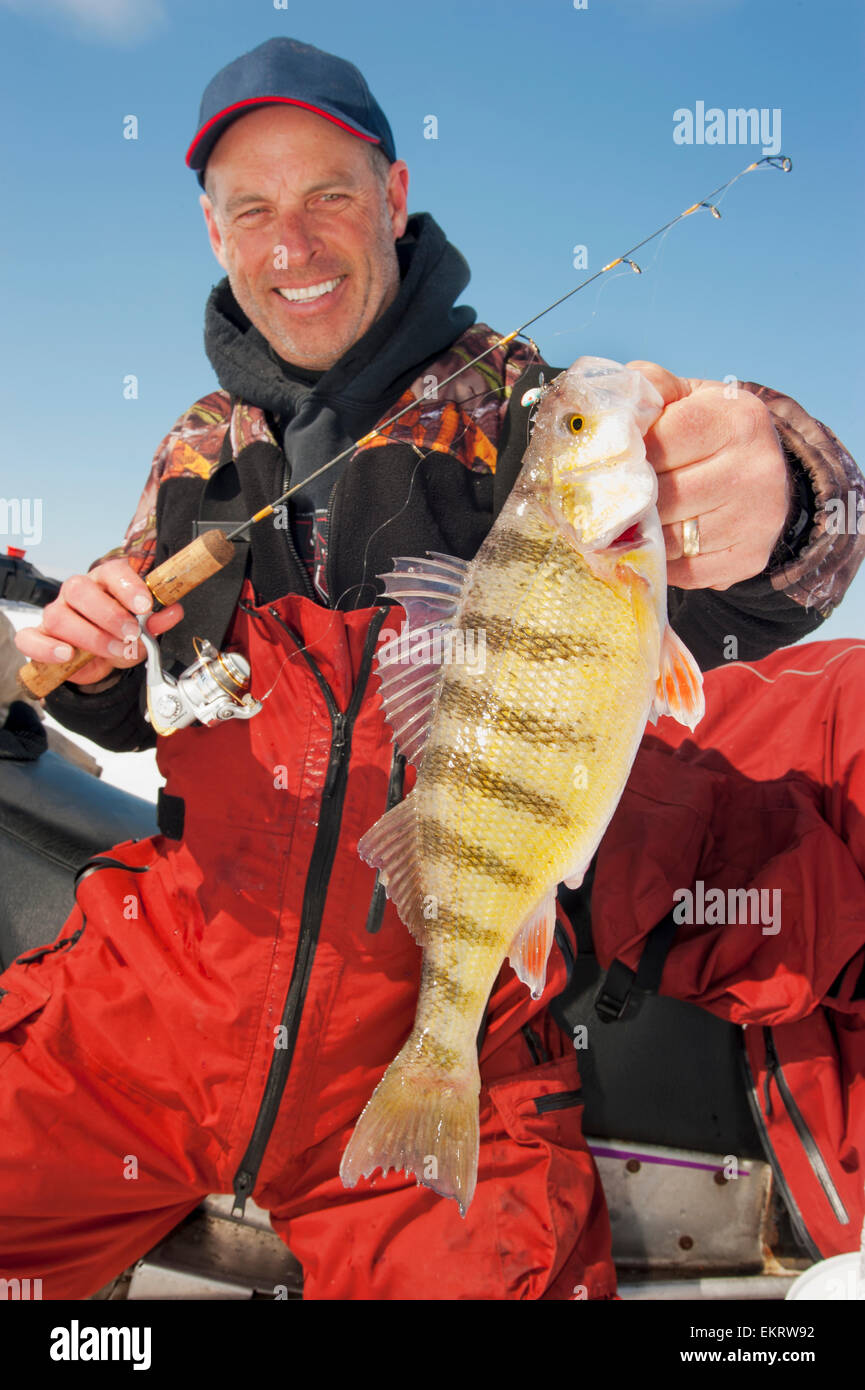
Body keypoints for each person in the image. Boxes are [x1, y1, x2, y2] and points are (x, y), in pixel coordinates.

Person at [4, 36, 864, 1301]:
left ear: (395, 199)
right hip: (152, 1011)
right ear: (213, 232)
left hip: (418, 1024)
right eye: (253, 208)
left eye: (329, 195)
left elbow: (767, 579)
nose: (290, 243)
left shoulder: (523, 412)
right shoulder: (192, 453)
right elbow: (143, 701)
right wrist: (85, 663)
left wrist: (786, 486)